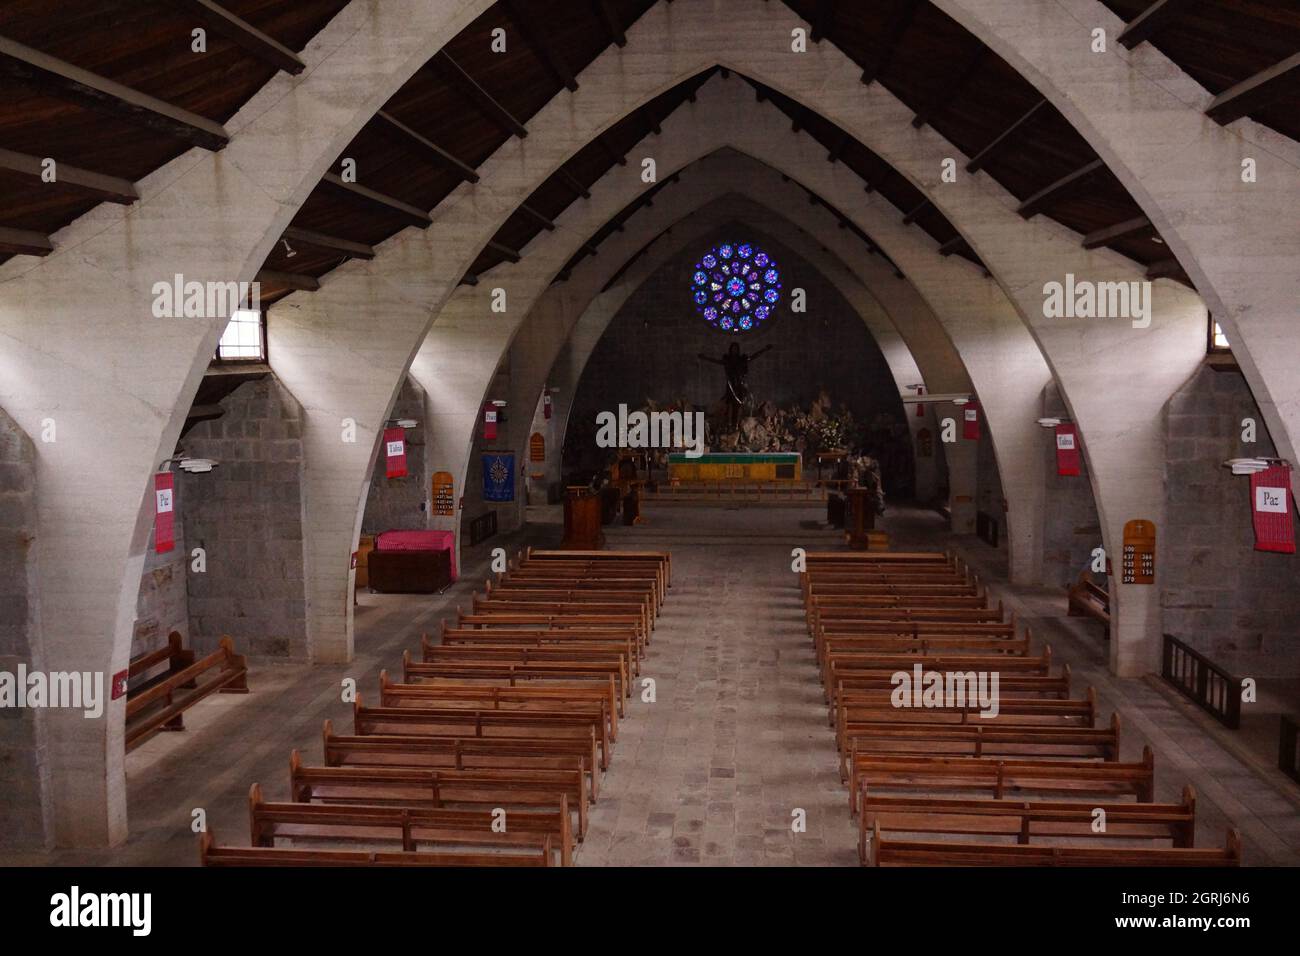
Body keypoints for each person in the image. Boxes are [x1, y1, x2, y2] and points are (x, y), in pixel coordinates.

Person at [698, 342, 774, 432]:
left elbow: (753, 357)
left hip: (739, 384)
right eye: (733, 348)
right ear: (730, 349)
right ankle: (729, 424)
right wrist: (705, 357)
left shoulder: (742, 359)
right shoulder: (727, 359)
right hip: (731, 384)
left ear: (738, 350)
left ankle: (736, 425)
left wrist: (764, 349)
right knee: (730, 404)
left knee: (738, 405)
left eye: (736, 348)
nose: (734, 350)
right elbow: (717, 361)